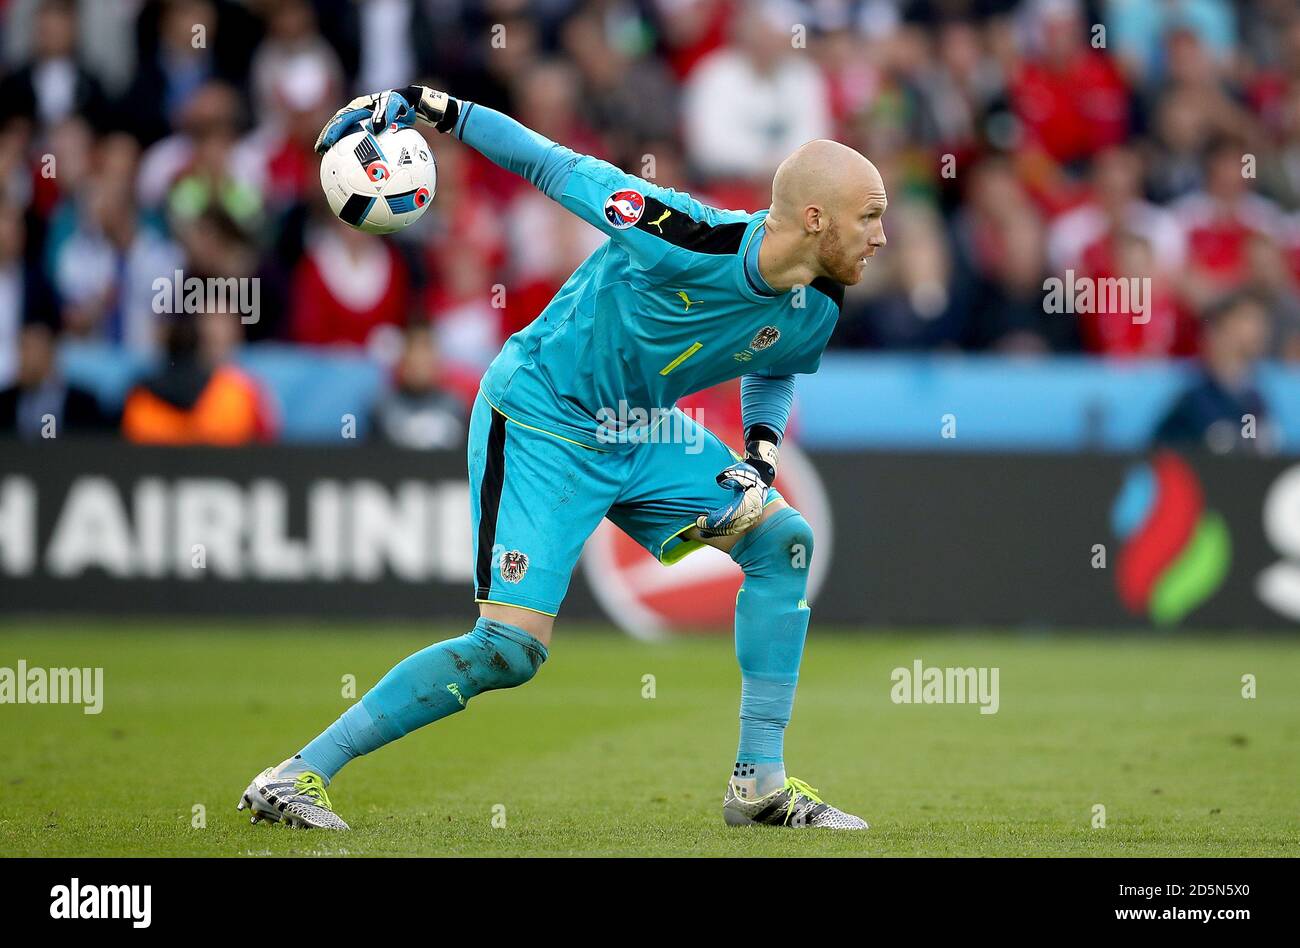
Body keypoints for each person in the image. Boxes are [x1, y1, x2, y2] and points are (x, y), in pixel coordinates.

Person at [239, 84, 887, 831]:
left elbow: (775, 363)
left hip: (639, 428)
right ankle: (294, 775)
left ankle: (759, 786)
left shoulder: (819, 297)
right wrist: (429, 106)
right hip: (540, 415)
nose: (880, 236)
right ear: (815, 218)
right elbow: (549, 163)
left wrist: (760, 461)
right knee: (508, 650)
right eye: (869, 216)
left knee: (782, 542)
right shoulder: (678, 231)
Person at [1153, 291, 1276, 454]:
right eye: (1248, 319)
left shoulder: (1255, 400)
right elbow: (1161, 454)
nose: (1259, 330)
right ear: (1219, 331)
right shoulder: (1192, 401)